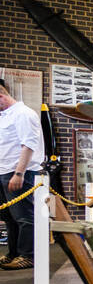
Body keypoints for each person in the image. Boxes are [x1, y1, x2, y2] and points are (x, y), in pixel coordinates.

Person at [0, 77, 43, 269]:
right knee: (10, 217)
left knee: (25, 217)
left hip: (19, 173)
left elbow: (29, 144)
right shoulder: (5, 116)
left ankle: (28, 255)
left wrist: (19, 173)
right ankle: (14, 253)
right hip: (5, 171)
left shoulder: (23, 114)